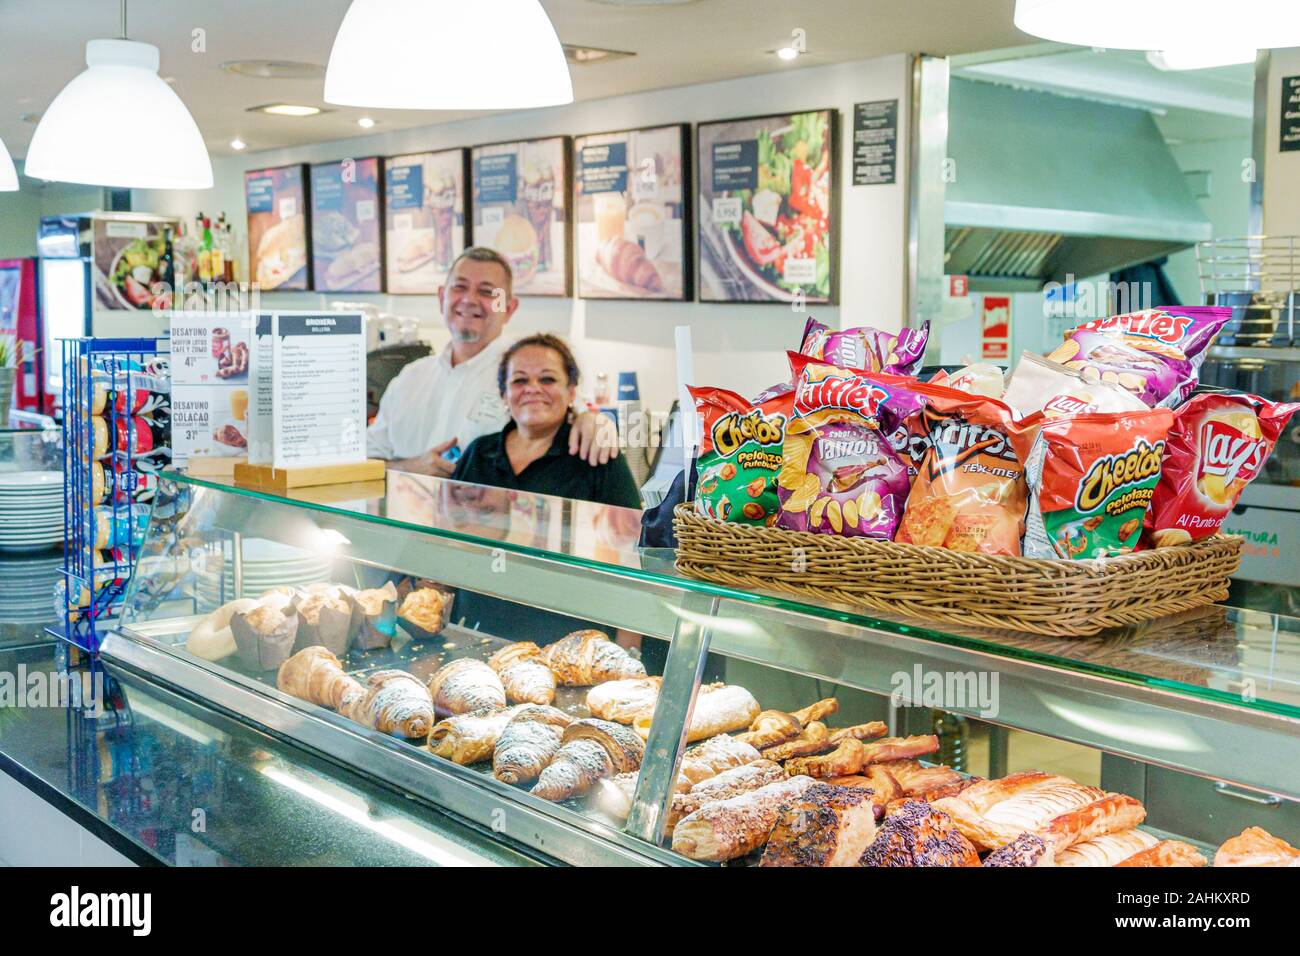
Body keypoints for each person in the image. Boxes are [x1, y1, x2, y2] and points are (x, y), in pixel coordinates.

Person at [366, 247, 617, 476]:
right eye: (459, 287)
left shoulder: (522, 380)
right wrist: (409, 468)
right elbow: (363, 462)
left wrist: (593, 420)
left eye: (487, 292)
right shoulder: (409, 378)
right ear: (442, 297)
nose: (469, 300)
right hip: (402, 511)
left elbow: (584, 418)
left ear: (509, 308)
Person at [452, 334, 641, 508]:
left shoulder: (597, 456)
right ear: (504, 395)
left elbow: (631, 531)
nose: (532, 388)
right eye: (520, 380)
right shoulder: (478, 453)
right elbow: (451, 519)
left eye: (547, 379)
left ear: (571, 392)